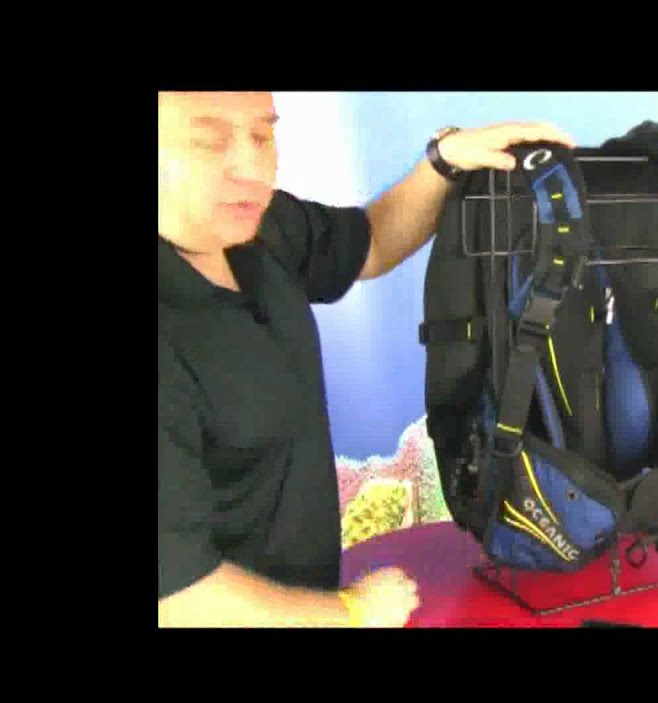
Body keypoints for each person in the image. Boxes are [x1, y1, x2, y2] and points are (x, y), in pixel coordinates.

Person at [158, 91, 575, 627]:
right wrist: (350, 612)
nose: (251, 168)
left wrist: (444, 162)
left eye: (262, 134)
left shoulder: (258, 228)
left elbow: (371, 242)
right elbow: (177, 598)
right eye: (209, 140)